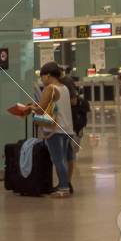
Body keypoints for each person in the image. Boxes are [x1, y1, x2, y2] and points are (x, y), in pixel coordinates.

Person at [29, 62, 75, 198]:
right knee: (65, 159)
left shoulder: (50, 88)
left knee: (58, 160)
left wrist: (29, 107)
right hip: (67, 128)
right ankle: (65, 184)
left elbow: (40, 109)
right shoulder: (64, 88)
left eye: (42, 76)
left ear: (48, 75)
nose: (42, 79)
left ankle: (63, 188)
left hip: (54, 130)